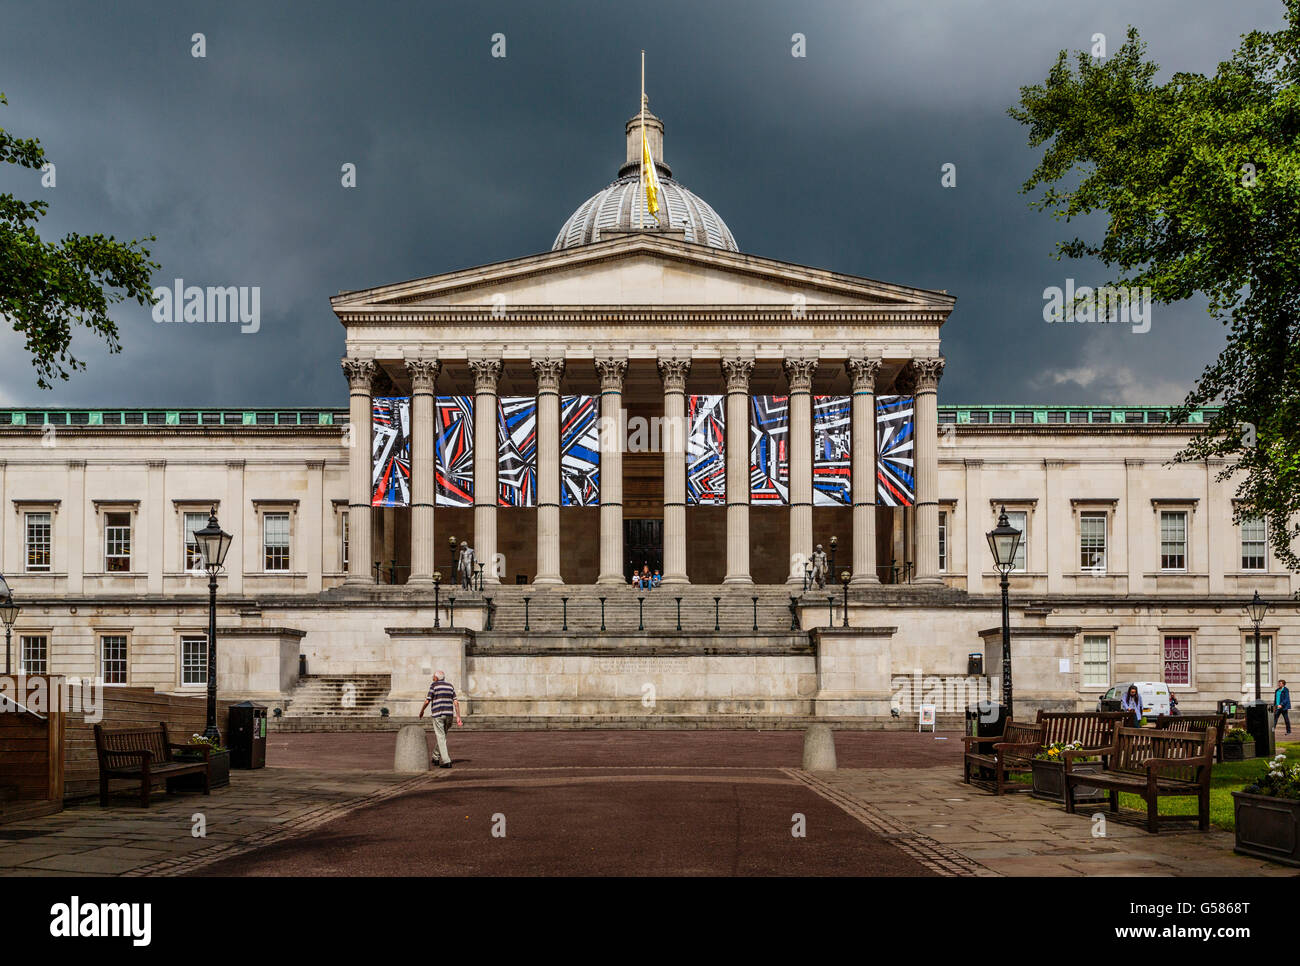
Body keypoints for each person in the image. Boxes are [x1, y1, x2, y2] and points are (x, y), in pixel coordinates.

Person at [417, 670, 463, 768]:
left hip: (438, 714)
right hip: (449, 715)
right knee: (442, 737)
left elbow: (427, 701)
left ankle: (446, 761)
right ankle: (435, 756)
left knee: (441, 737)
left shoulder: (434, 686)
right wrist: (458, 717)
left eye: (433, 676)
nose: (432, 678)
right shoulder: (450, 686)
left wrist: (422, 711)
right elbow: (456, 702)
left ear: (436, 678)